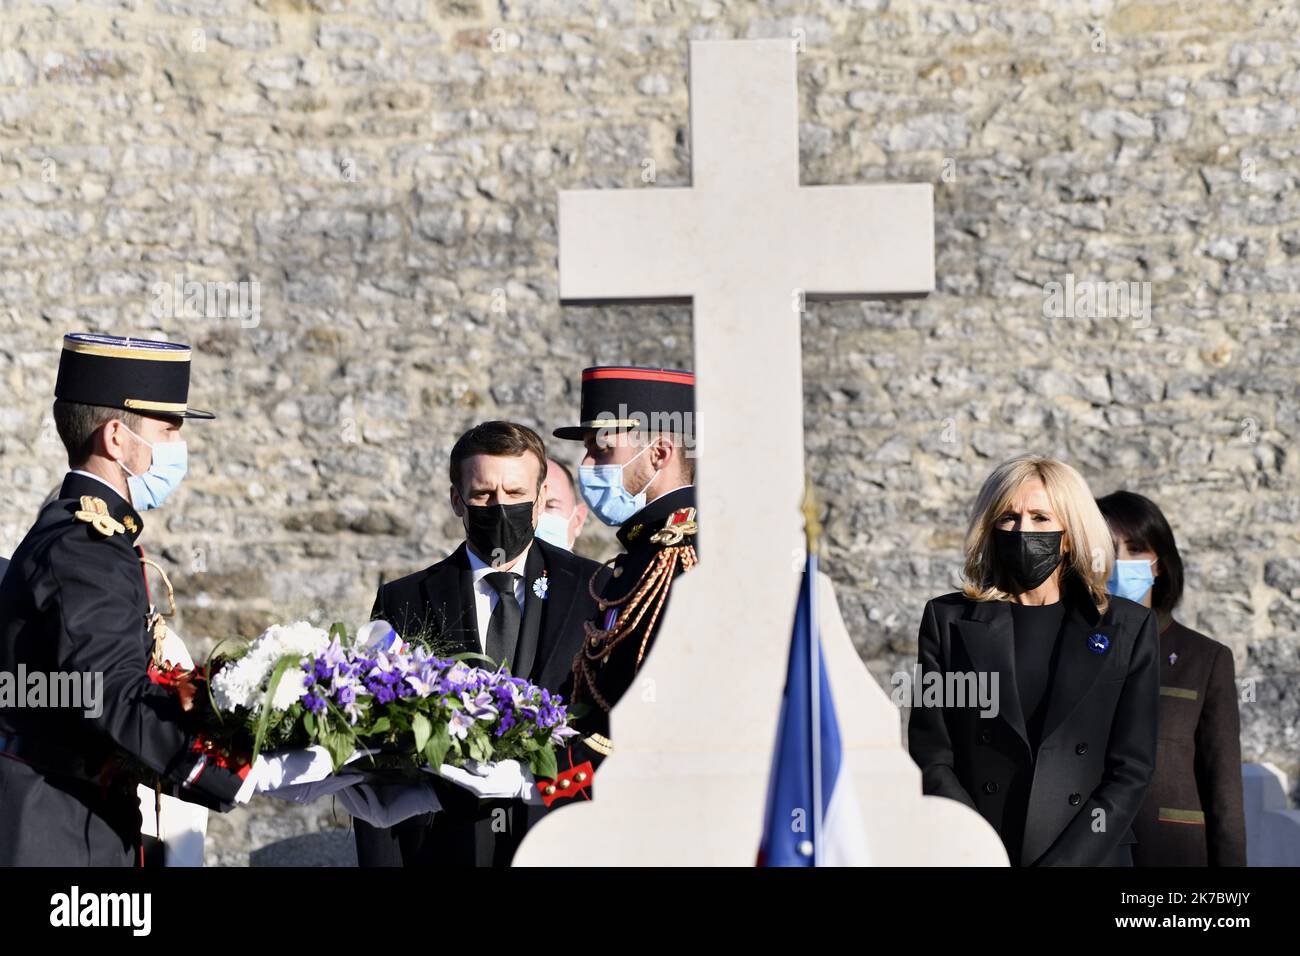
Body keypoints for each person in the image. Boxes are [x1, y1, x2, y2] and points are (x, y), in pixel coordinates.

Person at [0, 332, 247, 866]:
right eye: (167, 430)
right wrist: (237, 769)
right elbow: (108, 691)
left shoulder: (86, 534)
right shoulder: (86, 542)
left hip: (78, 817)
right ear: (116, 437)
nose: (178, 448)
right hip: (57, 828)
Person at [352, 421, 607, 866]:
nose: (500, 506)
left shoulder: (593, 589)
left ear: (539, 494)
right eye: (484, 495)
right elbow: (377, 755)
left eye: (514, 493)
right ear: (457, 500)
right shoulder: (406, 599)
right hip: (441, 849)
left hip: (563, 841)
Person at [907, 455, 1159, 866]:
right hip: (978, 853)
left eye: (1041, 517)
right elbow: (934, 753)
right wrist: (978, 848)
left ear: (1069, 534)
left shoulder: (1127, 628)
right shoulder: (948, 621)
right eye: (1009, 516)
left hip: (1087, 857)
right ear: (990, 527)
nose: (1023, 530)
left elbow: (1131, 770)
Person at [548, 366, 698, 793]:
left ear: (659, 453)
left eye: (602, 449)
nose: (587, 465)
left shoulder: (688, 559)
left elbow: (671, 710)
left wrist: (553, 775)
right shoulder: (639, 558)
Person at [1097, 490, 1246, 866]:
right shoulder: (1070, 646)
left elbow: (1224, 789)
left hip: (1169, 851)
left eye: (1135, 549)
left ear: (1160, 563)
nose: (1121, 562)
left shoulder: (1206, 658)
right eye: (1108, 549)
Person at [535, 457, 589, 552]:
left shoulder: (596, 567)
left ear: (578, 520)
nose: (535, 514)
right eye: (528, 505)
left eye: (551, 506)